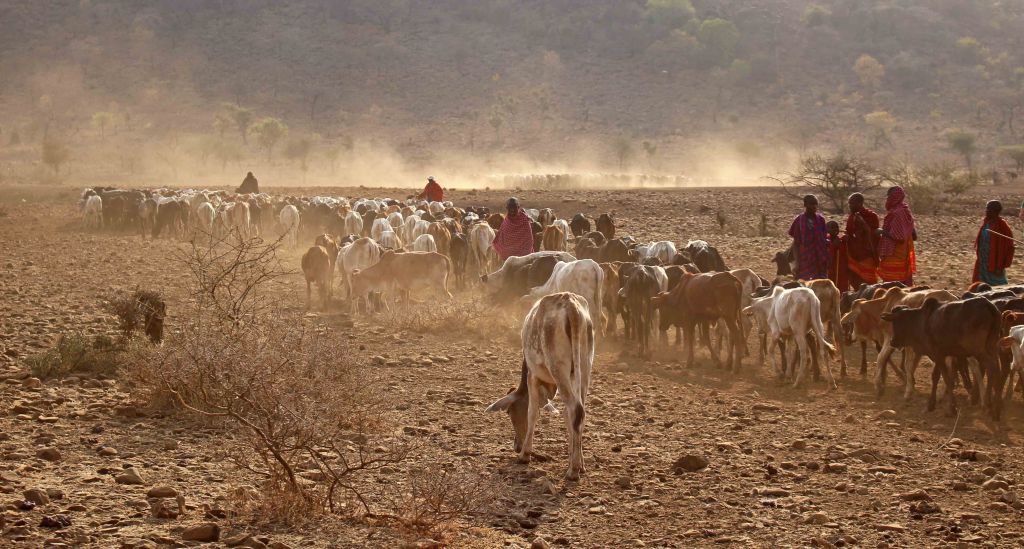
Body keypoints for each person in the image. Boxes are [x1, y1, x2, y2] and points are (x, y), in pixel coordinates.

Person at [877, 186, 916, 284]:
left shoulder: (897, 213)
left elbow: (899, 238)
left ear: (894, 197)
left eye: (889, 196)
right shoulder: (905, 210)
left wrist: (881, 231)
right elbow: (914, 234)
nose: (887, 199)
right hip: (904, 252)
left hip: (895, 252)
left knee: (892, 283)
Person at [788, 194, 829, 280]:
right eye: (811, 204)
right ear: (805, 205)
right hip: (805, 259)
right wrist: (797, 262)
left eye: (815, 204)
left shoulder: (821, 219)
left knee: (820, 284)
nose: (814, 206)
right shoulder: (799, 220)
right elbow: (796, 243)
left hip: (819, 259)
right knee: (804, 283)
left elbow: (824, 240)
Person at [843, 192, 880, 289]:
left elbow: (874, 235)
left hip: (867, 255)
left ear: (860, 203)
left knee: (869, 283)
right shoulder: (852, 216)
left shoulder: (871, 216)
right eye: (849, 203)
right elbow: (849, 232)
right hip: (854, 254)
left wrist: (863, 223)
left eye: (852, 203)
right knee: (854, 279)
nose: (850, 206)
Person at [973, 200, 1015, 285]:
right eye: (986, 208)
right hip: (983, 261)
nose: (987, 211)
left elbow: (1009, 247)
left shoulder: (1002, 226)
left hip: (995, 263)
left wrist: (1001, 266)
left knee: (999, 286)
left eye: (989, 209)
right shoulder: (986, 223)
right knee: (981, 286)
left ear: (996, 211)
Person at [826, 220, 848, 291]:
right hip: (830, 270)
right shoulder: (825, 240)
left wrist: (844, 242)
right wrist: (833, 246)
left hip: (840, 270)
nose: (835, 229)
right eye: (832, 227)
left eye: (836, 227)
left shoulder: (840, 240)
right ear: (827, 230)